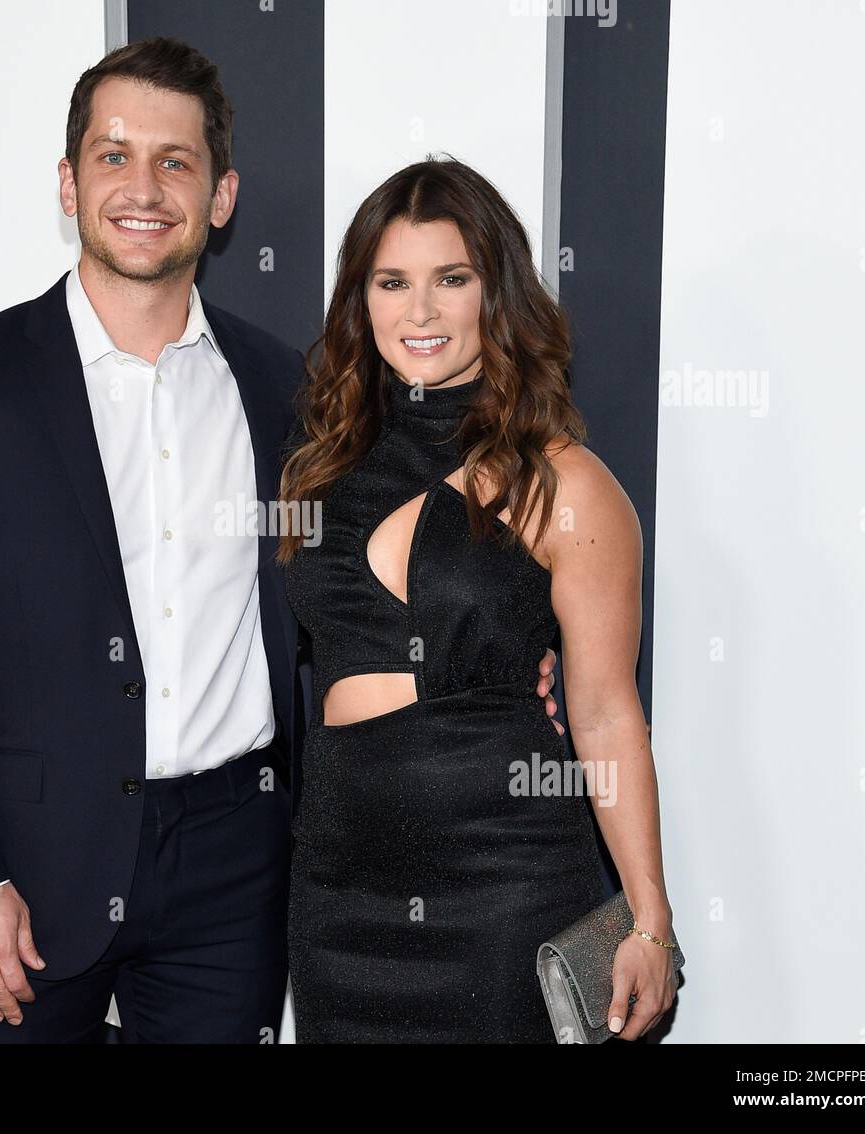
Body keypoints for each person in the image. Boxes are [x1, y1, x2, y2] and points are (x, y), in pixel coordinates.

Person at [0, 37, 561, 1043]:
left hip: (238, 864)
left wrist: (515, 662)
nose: (143, 186)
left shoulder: (292, 390)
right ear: (68, 183)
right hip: (29, 857)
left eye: (176, 161)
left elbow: (379, 575)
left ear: (219, 196)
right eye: (113, 155)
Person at [277, 156, 678, 1042]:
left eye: (451, 279)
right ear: (363, 299)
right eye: (393, 281)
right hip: (339, 887)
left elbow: (608, 711)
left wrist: (649, 917)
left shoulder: (565, 486)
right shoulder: (318, 464)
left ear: (495, 295)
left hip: (506, 881)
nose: (419, 311)